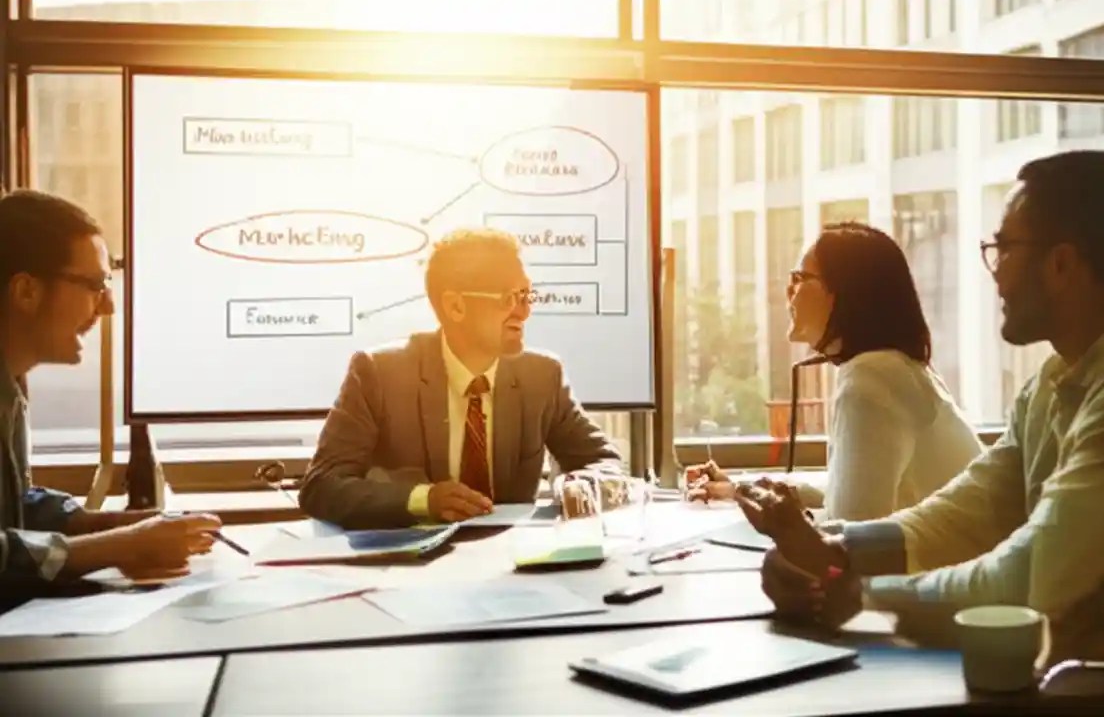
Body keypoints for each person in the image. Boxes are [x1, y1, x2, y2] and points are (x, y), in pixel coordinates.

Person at [737, 150, 1104, 665]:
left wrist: (859, 599)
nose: (994, 271)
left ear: (1061, 264)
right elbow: (971, 512)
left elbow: (1032, 578)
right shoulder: (1061, 378)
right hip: (1069, 672)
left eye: (1005, 247)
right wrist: (836, 549)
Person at [300, 227, 633, 529]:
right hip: (412, 566)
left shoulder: (542, 376)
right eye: (509, 298)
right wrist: (423, 500)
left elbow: (603, 462)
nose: (524, 311)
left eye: (526, 296)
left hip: (512, 563)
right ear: (456, 306)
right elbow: (321, 485)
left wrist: (578, 488)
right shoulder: (379, 373)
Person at [0, 189, 221, 597]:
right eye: (95, 285)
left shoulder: (10, 388)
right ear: (26, 291)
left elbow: (10, 506)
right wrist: (120, 547)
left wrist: (99, 524)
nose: (108, 307)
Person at [684, 222, 981, 521]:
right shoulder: (895, 369)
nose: (788, 291)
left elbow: (849, 529)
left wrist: (772, 519)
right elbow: (845, 492)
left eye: (799, 278)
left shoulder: (871, 380)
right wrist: (740, 490)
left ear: (844, 292)